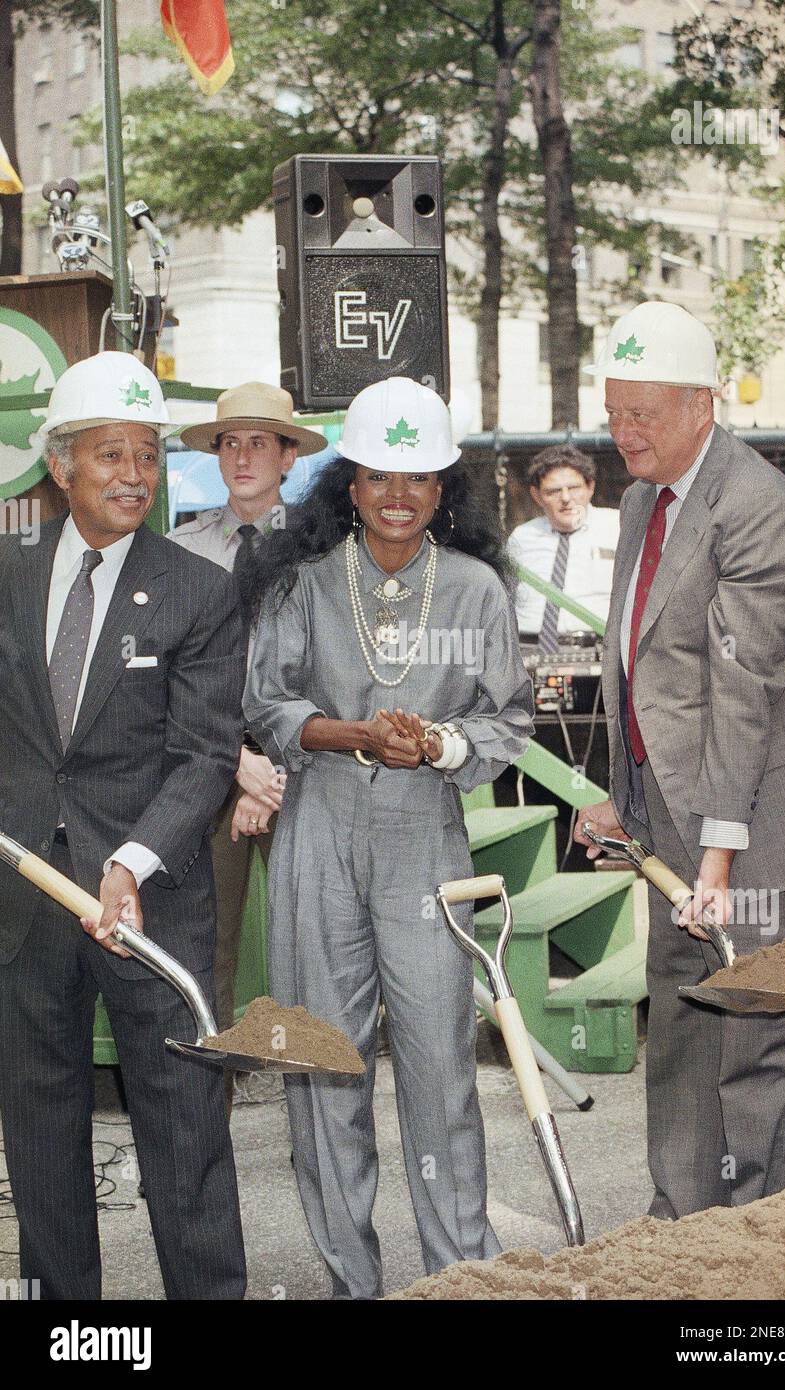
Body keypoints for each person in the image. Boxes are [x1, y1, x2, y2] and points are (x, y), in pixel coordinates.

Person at [243, 375, 533, 1299]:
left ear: (443, 489)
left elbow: (508, 720)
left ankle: (457, 1276)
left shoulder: (479, 591)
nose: (397, 496)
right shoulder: (305, 584)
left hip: (424, 840)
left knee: (439, 1065)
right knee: (325, 1058)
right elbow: (268, 704)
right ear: (351, 485)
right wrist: (354, 733)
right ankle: (349, 1282)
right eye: (377, 477)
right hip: (320, 829)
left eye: (417, 479)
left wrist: (441, 742)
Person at [571, 302, 785, 1219]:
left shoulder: (757, 509)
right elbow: (636, 659)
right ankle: (684, 1223)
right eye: (614, 411)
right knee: (686, 1024)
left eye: (643, 414)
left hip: (761, 815)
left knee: (752, 1031)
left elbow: (741, 693)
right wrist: (623, 795)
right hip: (673, 805)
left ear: (701, 405)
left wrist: (718, 855)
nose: (624, 433)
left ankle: (767, 1243)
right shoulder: (638, 496)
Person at [0, 352, 247, 1300]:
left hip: (149, 902)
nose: (134, 476)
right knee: (40, 1134)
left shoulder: (196, 590)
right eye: (111, 455)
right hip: (26, 902)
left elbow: (204, 757)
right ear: (61, 465)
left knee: (184, 1131)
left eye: (146, 456)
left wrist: (132, 860)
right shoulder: (8, 572)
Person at [169, 383, 326, 1077]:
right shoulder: (183, 548)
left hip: (303, 771)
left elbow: (331, 669)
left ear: (288, 456)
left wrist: (275, 773)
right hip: (209, 767)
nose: (242, 456)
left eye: (259, 442)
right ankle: (206, 1129)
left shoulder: (322, 549)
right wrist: (237, 763)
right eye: (229, 442)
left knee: (314, 947)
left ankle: (319, 1129)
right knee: (209, 949)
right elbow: (170, 675)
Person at [507, 445, 619, 649]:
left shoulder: (617, 527)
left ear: (590, 487)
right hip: (530, 651)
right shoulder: (521, 538)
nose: (566, 499)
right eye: (554, 491)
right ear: (537, 495)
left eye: (574, 488)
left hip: (599, 651)